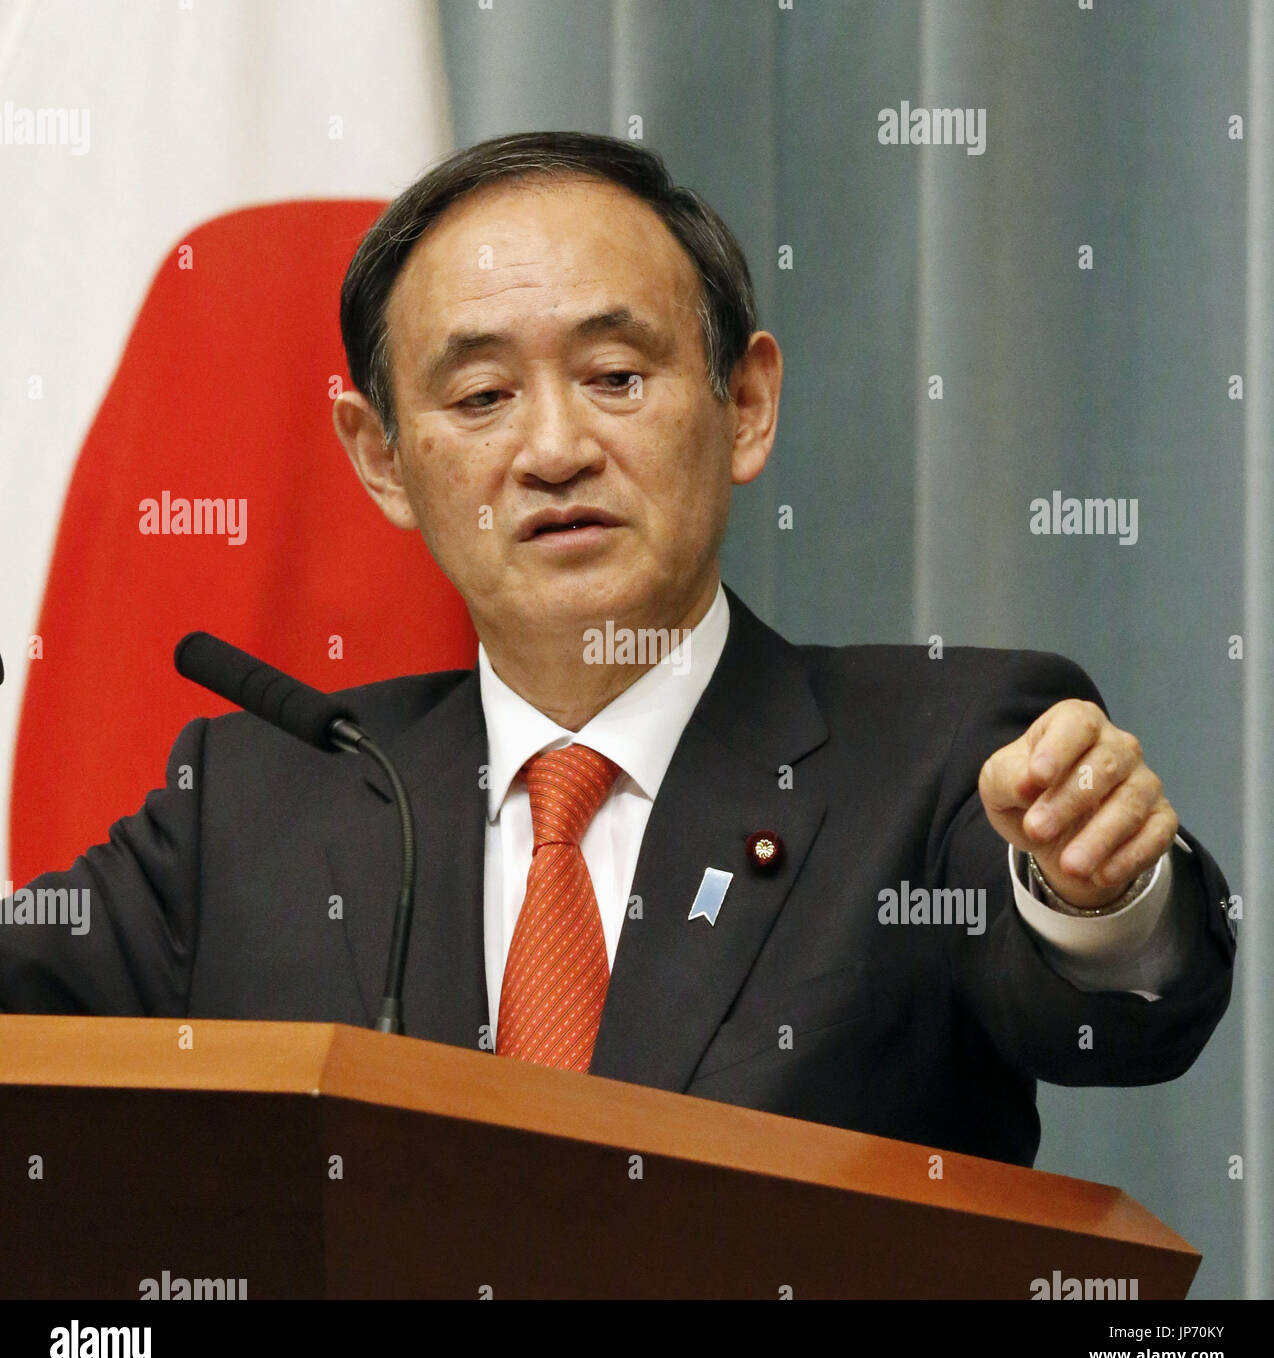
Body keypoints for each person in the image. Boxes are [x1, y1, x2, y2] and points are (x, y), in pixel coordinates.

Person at [0, 131, 1234, 1167]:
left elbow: (1113, 1020)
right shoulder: (252, 806)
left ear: (742, 403)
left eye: (613, 375)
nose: (551, 449)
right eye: (479, 396)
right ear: (379, 457)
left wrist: (1099, 891)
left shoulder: (941, 748)